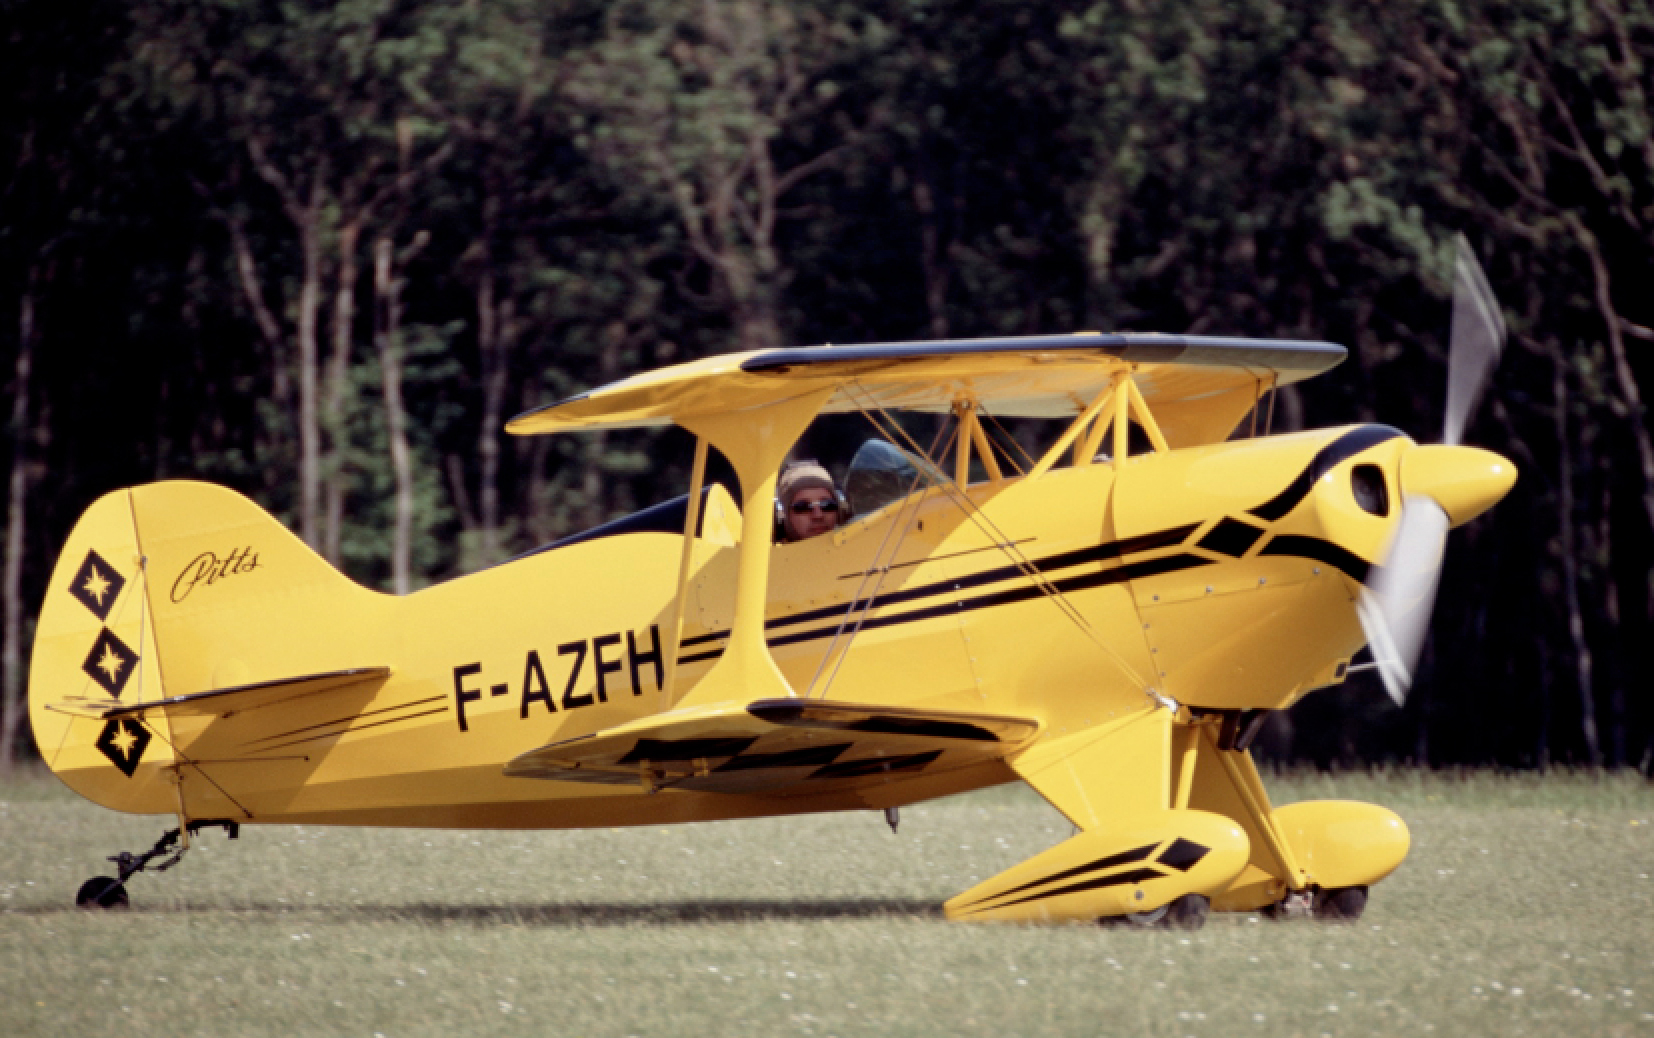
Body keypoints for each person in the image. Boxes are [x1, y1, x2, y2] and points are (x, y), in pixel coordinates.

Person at [777, 461, 843, 542]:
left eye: (827, 505)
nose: (818, 515)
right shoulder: (765, 554)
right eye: (802, 507)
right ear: (786, 514)